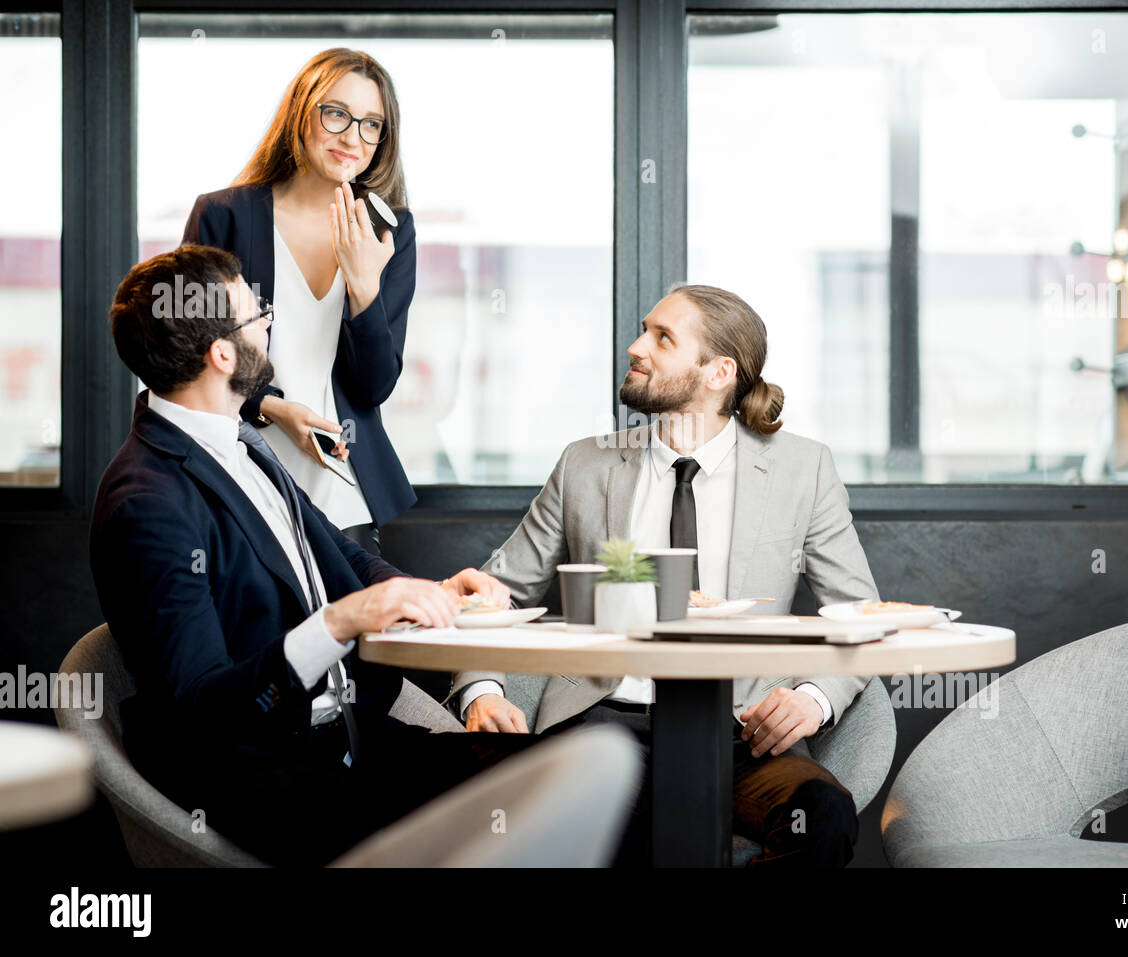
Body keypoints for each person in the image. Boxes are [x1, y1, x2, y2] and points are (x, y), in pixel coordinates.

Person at [90, 245, 539, 866]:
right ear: (223, 354)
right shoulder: (149, 501)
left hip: (353, 743)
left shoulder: (243, 445)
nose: (269, 323)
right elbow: (204, 710)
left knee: (555, 777)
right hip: (268, 779)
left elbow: (341, 561)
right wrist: (339, 621)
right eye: (258, 314)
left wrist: (428, 594)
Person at [451, 283, 881, 866]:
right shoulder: (587, 464)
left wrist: (812, 698)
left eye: (662, 338)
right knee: (618, 830)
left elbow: (860, 613)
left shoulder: (803, 469)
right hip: (602, 722)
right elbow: (492, 593)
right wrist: (481, 689)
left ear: (718, 372)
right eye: (643, 330)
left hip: (741, 735)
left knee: (822, 821)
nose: (636, 346)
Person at [183, 48, 414, 556]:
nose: (353, 138)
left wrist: (363, 286)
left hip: (344, 488)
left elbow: (374, 385)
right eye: (337, 114)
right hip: (241, 474)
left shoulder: (388, 230)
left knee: (350, 631)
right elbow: (190, 350)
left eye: (372, 124)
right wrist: (272, 408)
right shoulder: (224, 216)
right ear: (300, 113)